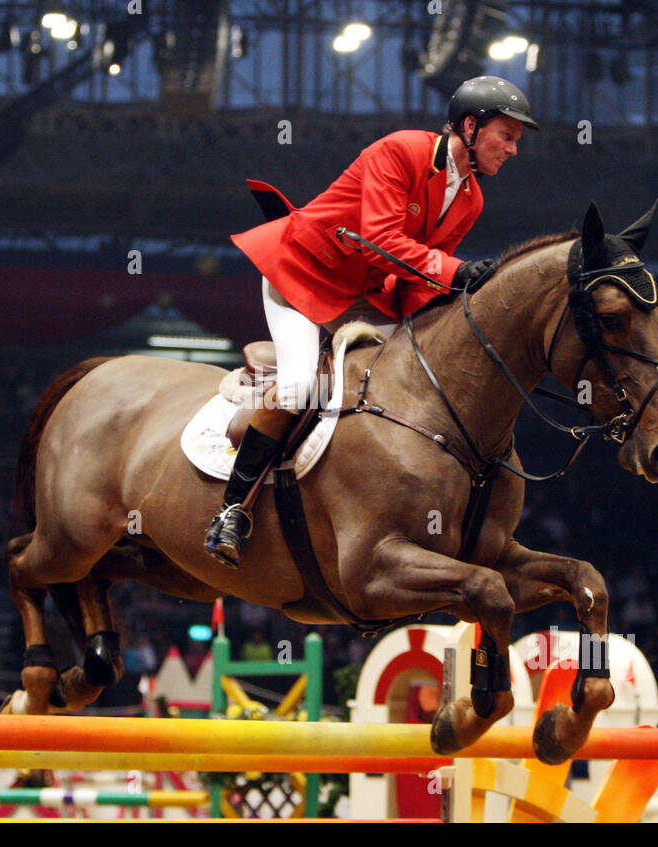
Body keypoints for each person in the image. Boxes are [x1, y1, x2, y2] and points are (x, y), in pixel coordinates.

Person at [205, 75, 540, 568]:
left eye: (516, 140)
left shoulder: (471, 198)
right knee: (299, 387)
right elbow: (381, 238)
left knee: (413, 378)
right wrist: (457, 271)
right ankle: (232, 510)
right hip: (302, 273)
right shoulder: (400, 150)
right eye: (506, 136)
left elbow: (416, 277)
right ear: (470, 126)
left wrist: (451, 307)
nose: (513, 149)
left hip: (361, 294)